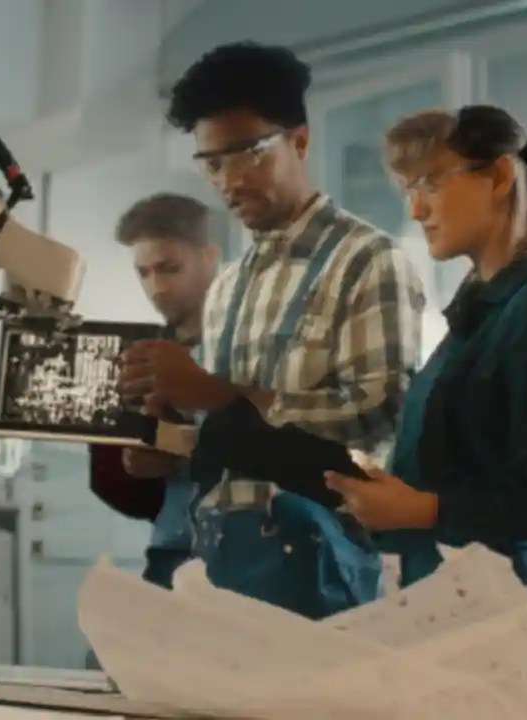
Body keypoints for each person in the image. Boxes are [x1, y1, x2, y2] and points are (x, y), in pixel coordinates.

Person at [118, 42, 424, 618]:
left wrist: (215, 394)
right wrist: (173, 450)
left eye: (248, 154)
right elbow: (232, 442)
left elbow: (382, 421)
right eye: (211, 163)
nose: (229, 179)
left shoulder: (368, 261)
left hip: (321, 567)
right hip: (214, 562)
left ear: (300, 141)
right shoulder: (228, 288)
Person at [324, 105, 527, 604]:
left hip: (504, 607)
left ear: (499, 176)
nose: (415, 210)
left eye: (430, 183)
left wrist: (419, 509)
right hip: (445, 598)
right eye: (409, 190)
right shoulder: (477, 317)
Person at [88, 193, 219, 589]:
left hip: (247, 553)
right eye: (143, 273)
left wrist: (184, 454)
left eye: (169, 269)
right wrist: (126, 461)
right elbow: (130, 495)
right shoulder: (139, 358)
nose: (157, 287)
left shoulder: (252, 344)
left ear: (209, 257)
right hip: (170, 551)